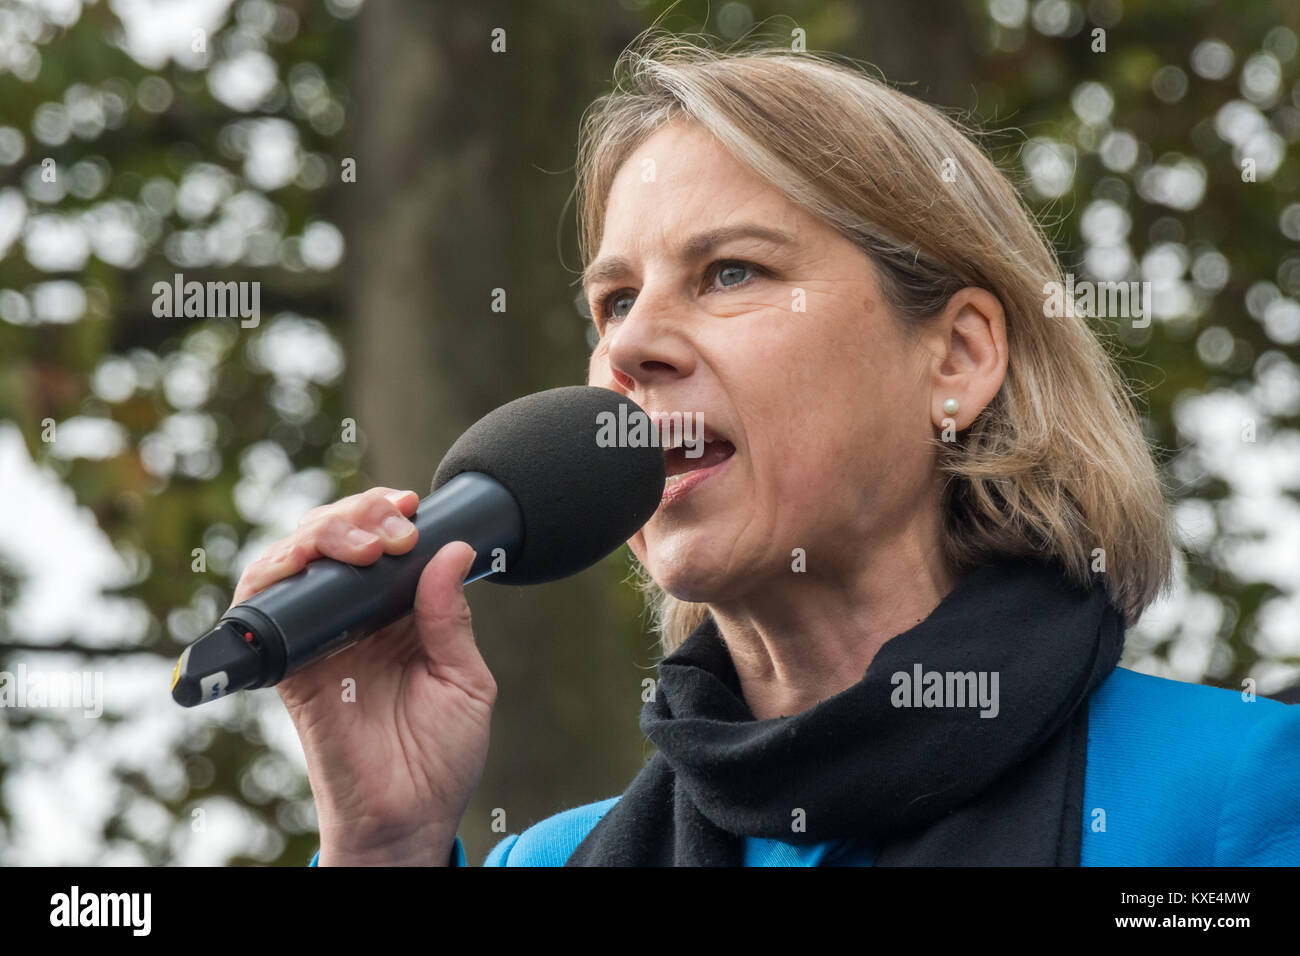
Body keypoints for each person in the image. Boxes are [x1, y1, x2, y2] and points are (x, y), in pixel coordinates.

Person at [232, 36, 1300, 866]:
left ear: (959, 356)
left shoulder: (1234, 789)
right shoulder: (543, 858)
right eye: (611, 300)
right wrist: (382, 845)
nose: (629, 346)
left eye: (730, 272)